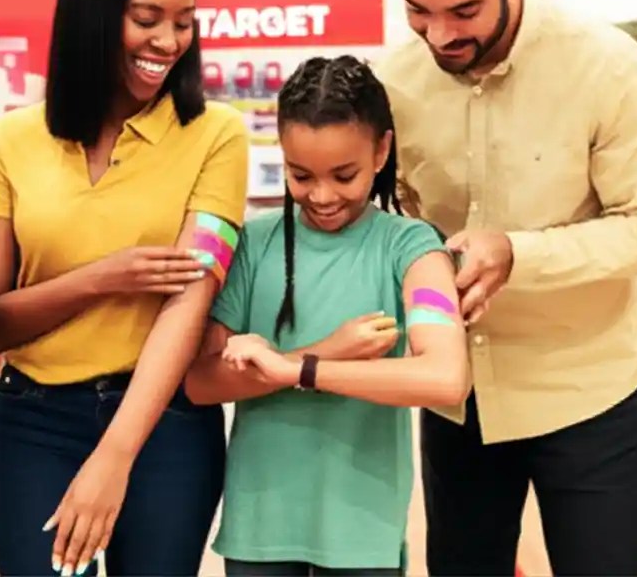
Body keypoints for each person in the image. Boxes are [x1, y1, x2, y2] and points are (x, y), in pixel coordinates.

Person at [375, 0, 637, 577]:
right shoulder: (395, 79)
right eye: (417, 10)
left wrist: (518, 254)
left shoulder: (606, 67)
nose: (440, 34)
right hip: (461, 397)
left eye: (463, 10)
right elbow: (392, 219)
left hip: (589, 390)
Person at [0, 0, 249, 577]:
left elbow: (188, 301)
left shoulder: (217, 137)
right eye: (147, 17)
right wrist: (100, 278)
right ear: (92, 14)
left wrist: (117, 453)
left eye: (184, 21)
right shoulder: (10, 143)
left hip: (165, 424)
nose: (169, 40)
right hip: (33, 420)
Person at [182, 55, 470, 577]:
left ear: (382, 150)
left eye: (344, 175)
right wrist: (323, 354)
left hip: (363, 530)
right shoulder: (255, 244)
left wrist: (296, 369)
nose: (321, 196)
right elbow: (201, 382)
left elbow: (446, 377)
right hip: (260, 526)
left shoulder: (413, 248)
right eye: (300, 175)